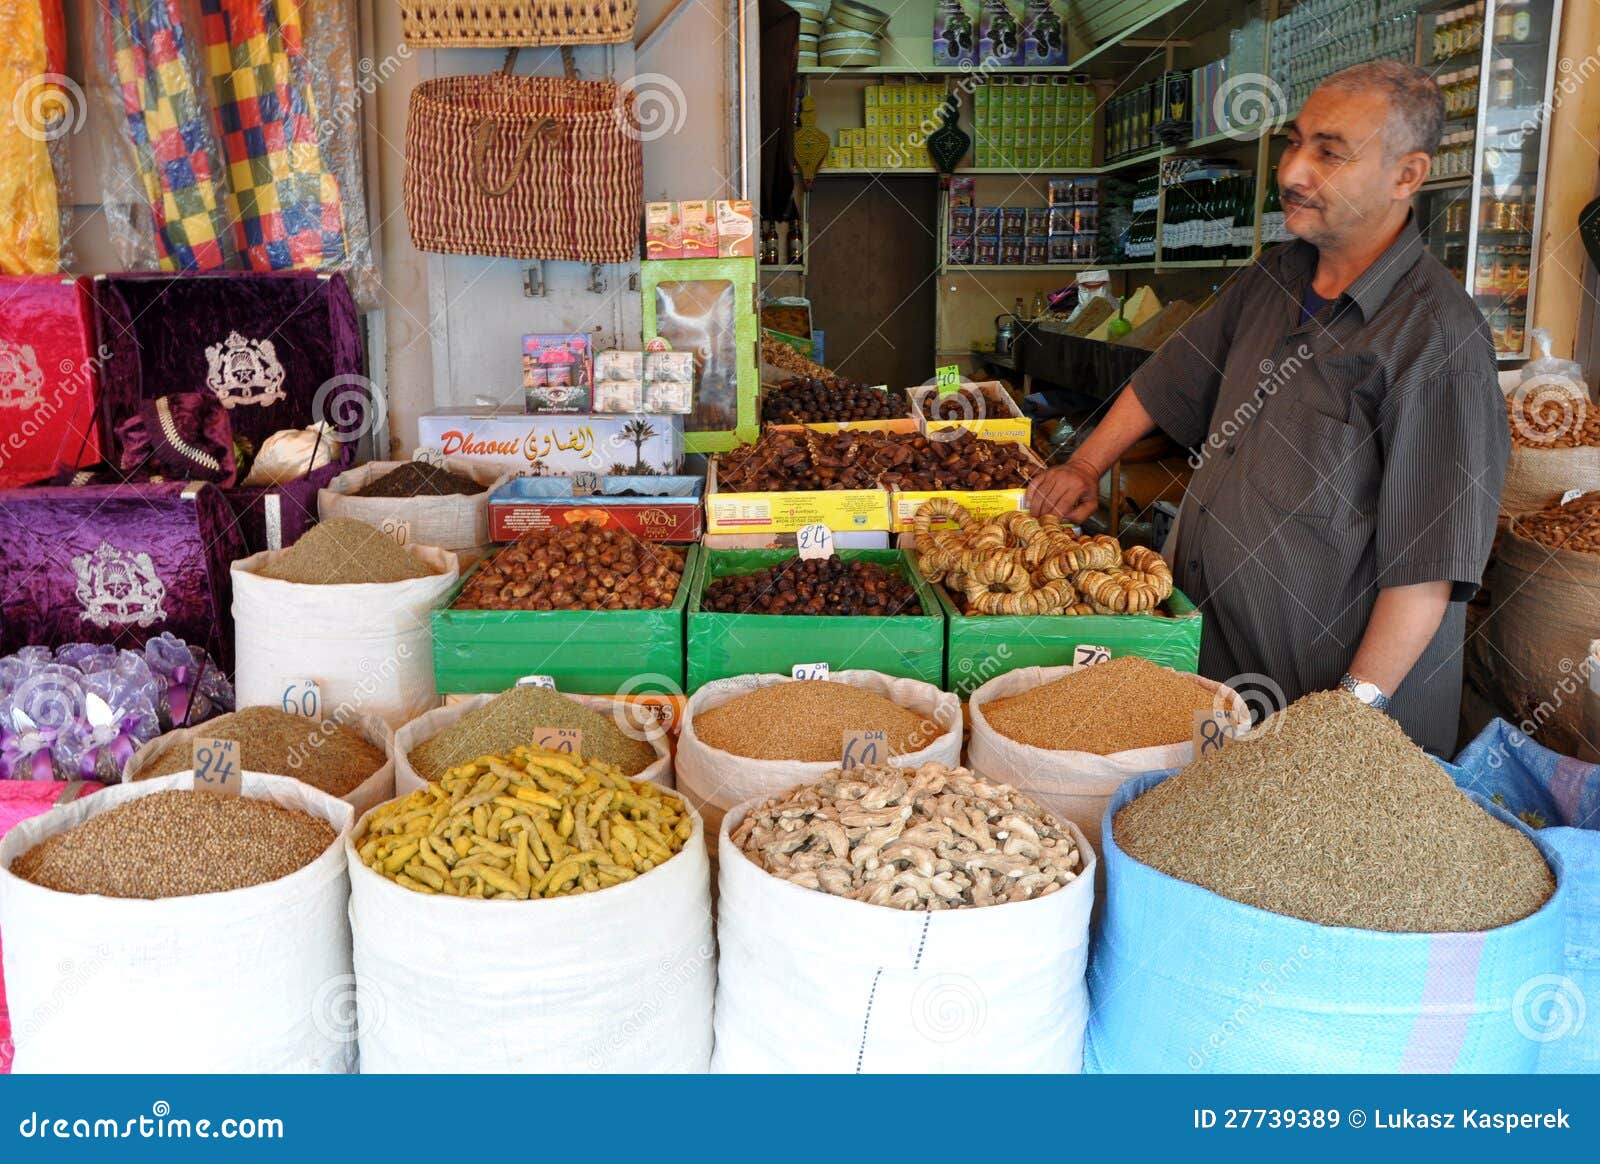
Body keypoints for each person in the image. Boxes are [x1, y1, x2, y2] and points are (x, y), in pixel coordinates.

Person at [1026, 61, 1508, 754]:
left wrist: (1349, 715)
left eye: (1329, 152)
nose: (1293, 172)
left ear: (1407, 176)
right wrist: (1086, 465)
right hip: (1218, 665)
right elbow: (1171, 377)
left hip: (1326, 710)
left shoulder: (1438, 341)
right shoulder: (1273, 278)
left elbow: (1426, 571)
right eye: (1295, 141)